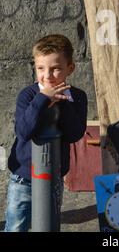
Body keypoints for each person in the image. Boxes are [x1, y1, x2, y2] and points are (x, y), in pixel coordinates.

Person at [4, 34, 88, 232]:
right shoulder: (28, 95)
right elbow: (24, 131)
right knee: (16, 226)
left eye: (55, 68)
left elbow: (75, 134)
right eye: (41, 68)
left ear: (70, 68)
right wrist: (42, 99)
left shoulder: (77, 97)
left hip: (54, 175)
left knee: (49, 223)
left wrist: (62, 101)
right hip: (23, 176)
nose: (47, 75)